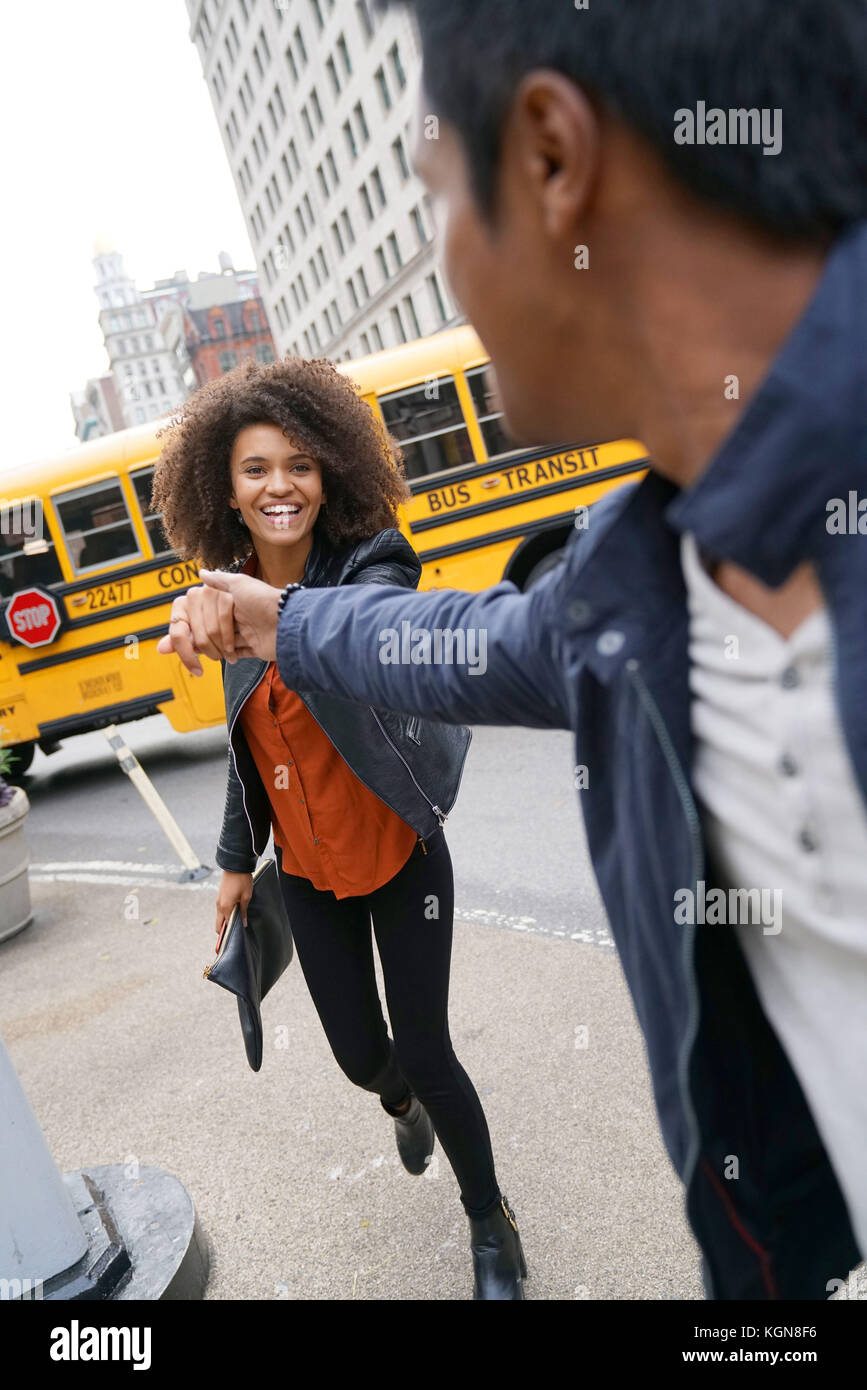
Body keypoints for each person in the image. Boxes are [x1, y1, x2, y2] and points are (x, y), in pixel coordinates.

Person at [163, 0, 867, 1300]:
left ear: (548, 158)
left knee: (416, 1044)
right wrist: (270, 624)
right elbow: (458, 642)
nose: (439, 261)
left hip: (393, 860)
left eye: (434, 193)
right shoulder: (624, 585)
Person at [152, 356, 527, 1300]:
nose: (280, 485)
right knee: (364, 1057)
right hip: (309, 874)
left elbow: (368, 629)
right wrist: (237, 867)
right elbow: (251, 754)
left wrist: (260, 615)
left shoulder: (372, 561)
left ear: (330, 477)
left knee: (429, 1048)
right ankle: (398, 1102)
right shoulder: (226, 585)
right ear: (225, 492)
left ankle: (490, 1221)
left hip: (401, 853)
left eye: (300, 465)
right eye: (255, 469)